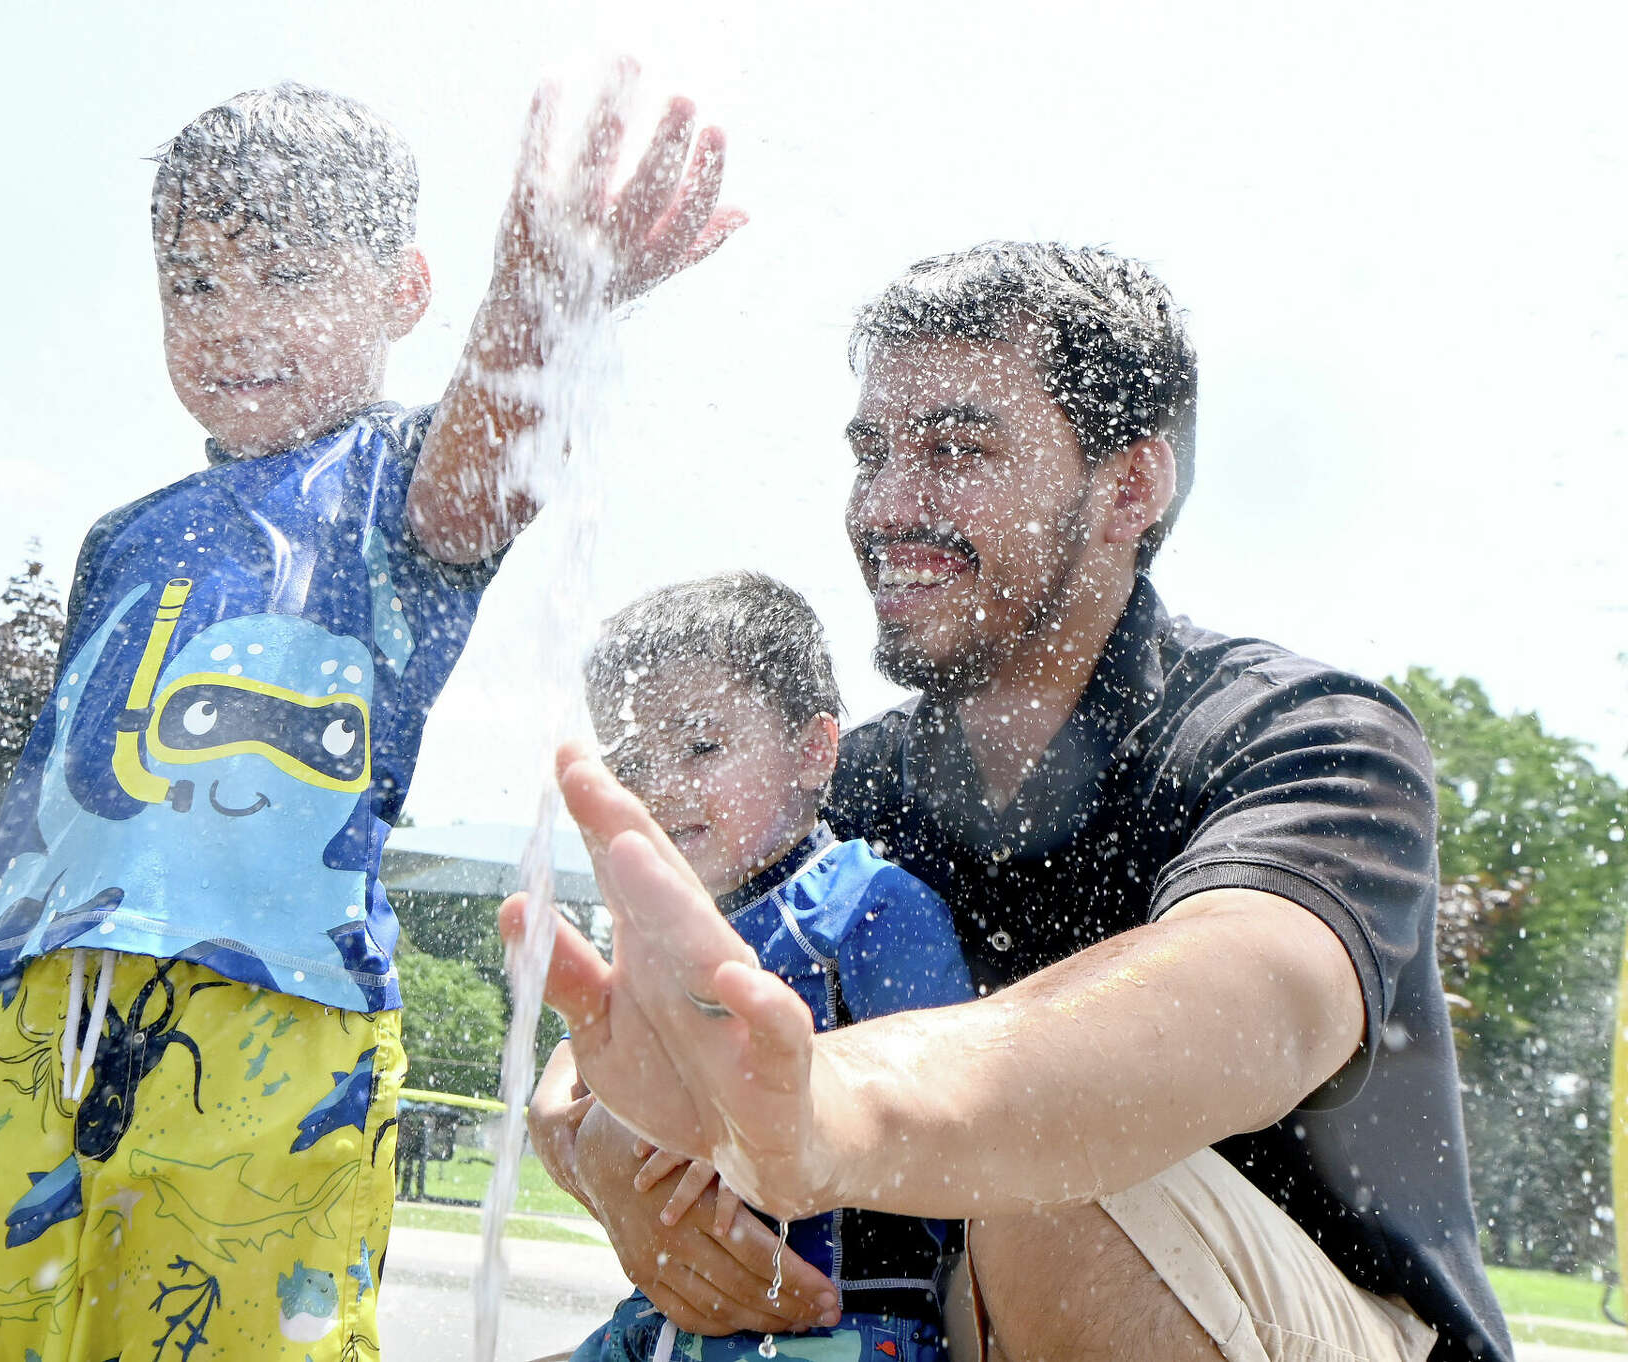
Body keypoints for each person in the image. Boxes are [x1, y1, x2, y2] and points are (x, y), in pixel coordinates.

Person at [0, 76, 741, 1359]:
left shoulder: (397, 497)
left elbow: (491, 465)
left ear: (402, 292)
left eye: (286, 274)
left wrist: (542, 300)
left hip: (273, 1034)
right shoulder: (124, 542)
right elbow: (49, 826)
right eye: (193, 285)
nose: (231, 321)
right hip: (15, 1035)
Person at [513, 243, 1513, 1361]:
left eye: (954, 450)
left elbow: (1259, 997)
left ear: (1128, 487)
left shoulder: (1306, 736)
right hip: (944, 1320)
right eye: (873, 453)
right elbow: (653, 1004)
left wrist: (833, 1112)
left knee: (1051, 1195)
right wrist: (599, 1145)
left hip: (1316, 1325)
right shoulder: (851, 784)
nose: (886, 506)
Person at [554, 571, 980, 1362]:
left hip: (839, 1331)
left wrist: (748, 1140)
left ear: (814, 751)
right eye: (632, 761)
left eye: (701, 746)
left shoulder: (871, 910)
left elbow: (952, 1139)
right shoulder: (658, 933)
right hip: (668, 1324)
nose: (661, 787)